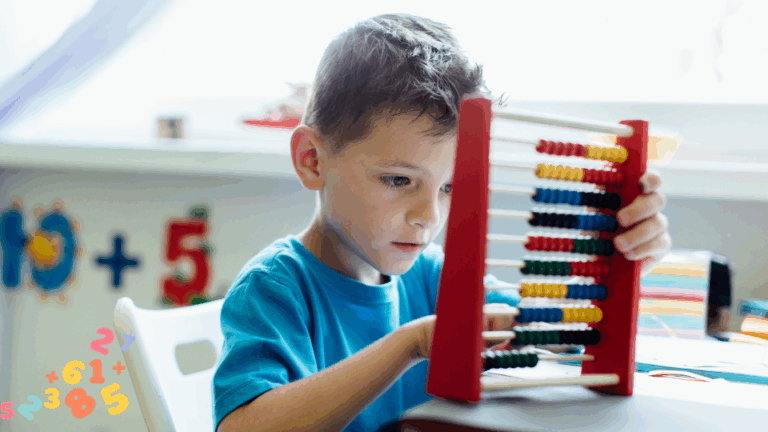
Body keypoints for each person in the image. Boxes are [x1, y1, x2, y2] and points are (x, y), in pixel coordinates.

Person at [213, 13, 672, 432]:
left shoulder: (433, 274)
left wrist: (618, 265)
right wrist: (411, 344)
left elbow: (549, 332)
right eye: (398, 179)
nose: (428, 216)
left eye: (450, 188)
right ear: (312, 160)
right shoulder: (275, 288)